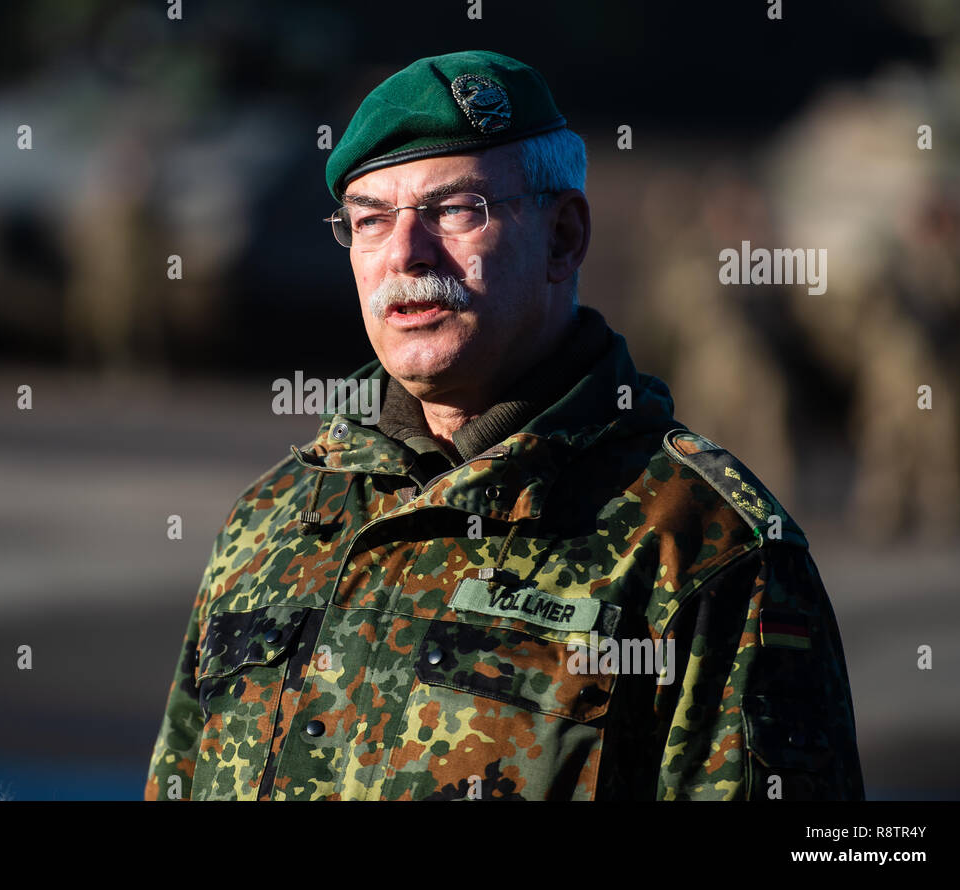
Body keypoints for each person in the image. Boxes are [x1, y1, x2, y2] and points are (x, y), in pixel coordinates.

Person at [144, 50, 864, 800]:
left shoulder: (706, 550)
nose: (405, 255)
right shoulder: (272, 522)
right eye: (370, 219)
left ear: (562, 238)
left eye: (455, 210)